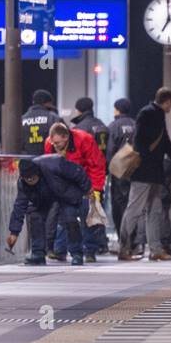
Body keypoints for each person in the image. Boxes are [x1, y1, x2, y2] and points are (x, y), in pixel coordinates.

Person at [121, 87, 171, 262]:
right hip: (143, 171)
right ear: (166, 101)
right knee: (134, 209)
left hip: (154, 172)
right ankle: (124, 248)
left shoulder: (158, 114)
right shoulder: (146, 113)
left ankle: (156, 250)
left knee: (155, 211)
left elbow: (164, 139)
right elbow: (138, 141)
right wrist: (146, 160)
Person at [5, 154, 91, 265]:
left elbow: (77, 172)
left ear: (37, 173)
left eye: (33, 177)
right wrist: (14, 232)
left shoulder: (55, 164)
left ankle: (77, 254)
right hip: (43, 198)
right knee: (35, 217)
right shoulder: (23, 184)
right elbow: (19, 206)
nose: (30, 180)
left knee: (70, 219)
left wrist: (87, 188)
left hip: (66, 192)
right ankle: (38, 254)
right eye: (27, 178)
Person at [44, 122, 105, 263]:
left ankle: (89, 251)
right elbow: (49, 167)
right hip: (64, 185)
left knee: (88, 216)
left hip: (85, 182)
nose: (55, 145)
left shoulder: (85, 140)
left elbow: (96, 165)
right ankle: (61, 250)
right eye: (53, 142)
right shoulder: (50, 143)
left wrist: (96, 190)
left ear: (66, 137)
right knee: (66, 218)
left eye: (58, 142)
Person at [70, 97, 110, 253]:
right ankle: (101, 242)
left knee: (84, 211)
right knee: (98, 208)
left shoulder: (80, 129)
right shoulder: (103, 126)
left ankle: (87, 245)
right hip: (100, 174)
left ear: (79, 110)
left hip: (84, 176)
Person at [106, 98, 136, 255]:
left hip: (119, 172)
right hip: (135, 170)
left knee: (119, 206)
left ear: (117, 109)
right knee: (134, 205)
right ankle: (135, 240)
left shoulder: (113, 126)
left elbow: (109, 150)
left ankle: (123, 240)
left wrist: (108, 169)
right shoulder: (136, 124)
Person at [21, 89, 60, 156]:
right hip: (49, 161)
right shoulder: (53, 117)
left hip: (27, 161)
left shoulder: (22, 119)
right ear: (48, 103)